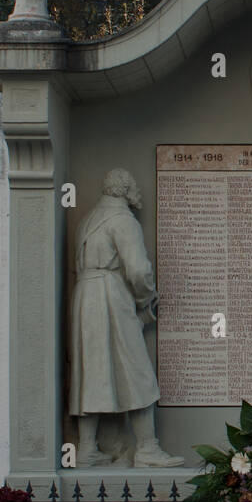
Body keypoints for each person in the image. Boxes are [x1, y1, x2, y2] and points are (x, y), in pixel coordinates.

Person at [69, 168, 183, 467]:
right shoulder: (122, 220)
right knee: (138, 370)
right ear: (125, 190)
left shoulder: (87, 220)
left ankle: (86, 448)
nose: (138, 193)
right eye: (134, 187)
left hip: (84, 297)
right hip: (110, 296)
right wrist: (146, 299)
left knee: (90, 371)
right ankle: (147, 447)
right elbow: (138, 269)